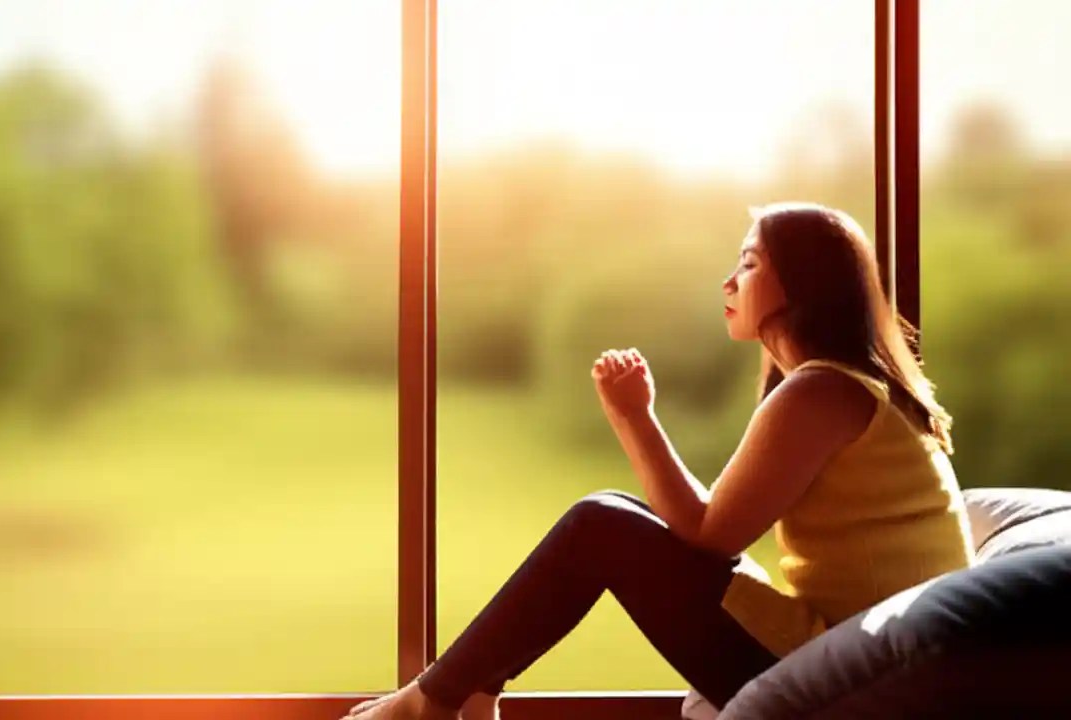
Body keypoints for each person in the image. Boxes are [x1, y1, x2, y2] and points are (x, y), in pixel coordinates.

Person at [342, 202, 975, 720]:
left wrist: (634, 418)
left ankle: (434, 701)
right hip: (848, 650)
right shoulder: (841, 387)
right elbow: (710, 528)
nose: (728, 283)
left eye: (750, 264)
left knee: (602, 524)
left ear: (803, 283)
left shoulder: (822, 390)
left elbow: (710, 532)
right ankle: (468, 693)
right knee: (615, 515)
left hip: (852, 670)